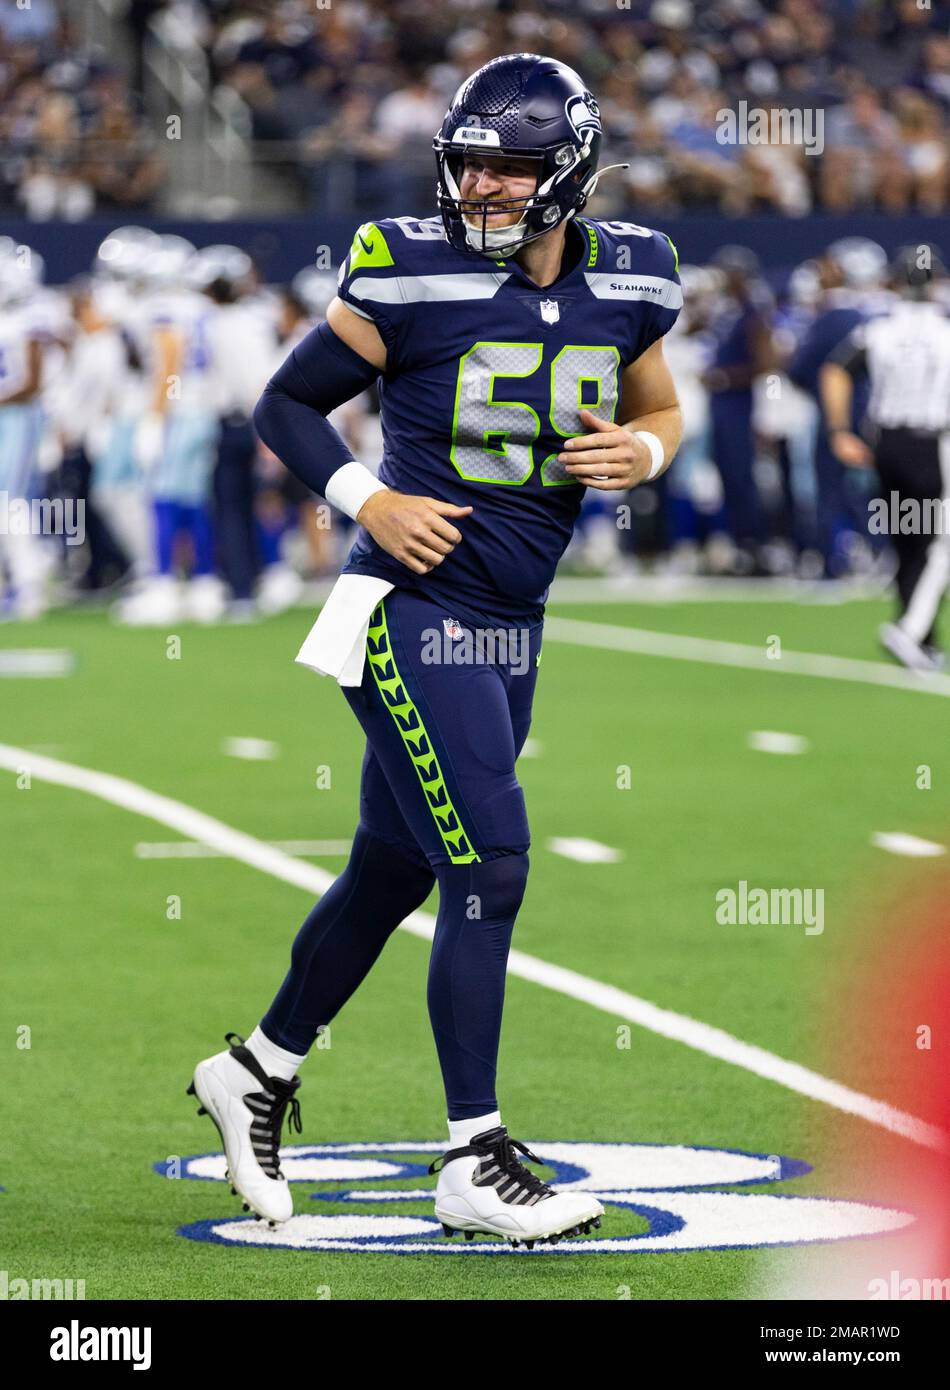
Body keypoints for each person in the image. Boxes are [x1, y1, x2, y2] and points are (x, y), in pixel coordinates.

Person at [189, 54, 683, 1247]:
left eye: (507, 170)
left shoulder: (633, 271)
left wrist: (646, 454)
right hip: (411, 607)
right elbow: (286, 406)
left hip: (513, 616)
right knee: (491, 863)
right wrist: (367, 500)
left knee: (393, 866)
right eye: (465, 166)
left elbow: (659, 405)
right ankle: (472, 1152)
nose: (480, 190)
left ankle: (256, 1069)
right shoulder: (407, 265)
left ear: (565, 173)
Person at [821, 245, 950, 670]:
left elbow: (835, 370)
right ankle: (911, 630)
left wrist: (840, 431)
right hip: (934, 443)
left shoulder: (878, 329)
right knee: (935, 543)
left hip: (889, 445)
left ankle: (921, 636)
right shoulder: (944, 328)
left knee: (906, 538)